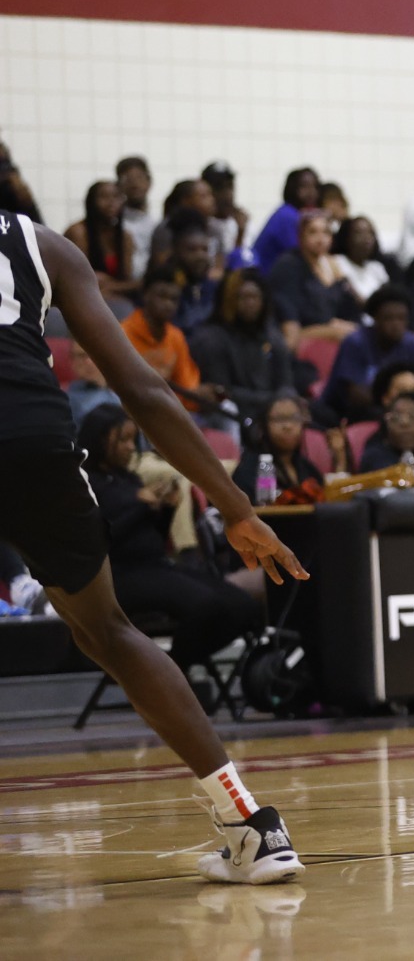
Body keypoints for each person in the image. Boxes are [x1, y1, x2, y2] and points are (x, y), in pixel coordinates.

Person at [0, 206, 306, 882]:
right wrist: (235, 508)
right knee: (109, 631)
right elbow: (143, 388)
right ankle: (251, 826)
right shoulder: (44, 246)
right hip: (36, 443)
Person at [82, 404, 265, 685]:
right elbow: (101, 540)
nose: (131, 447)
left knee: (244, 607)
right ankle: (170, 679)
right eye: (123, 440)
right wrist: (139, 506)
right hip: (120, 575)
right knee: (207, 606)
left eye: (133, 439)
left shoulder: (128, 478)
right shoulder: (86, 485)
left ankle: (175, 667)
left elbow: (151, 534)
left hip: (157, 567)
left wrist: (164, 509)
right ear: (99, 440)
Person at [190, 269, 297, 429]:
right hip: (235, 416)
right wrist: (272, 400)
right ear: (228, 300)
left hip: (272, 410)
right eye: (242, 297)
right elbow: (222, 392)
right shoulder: (211, 339)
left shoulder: (272, 334)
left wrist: (284, 401)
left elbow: (286, 382)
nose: (250, 303)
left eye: (254, 297)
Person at [317, 286, 414, 424]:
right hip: (343, 410)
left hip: (393, 408)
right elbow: (355, 396)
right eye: (389, 318)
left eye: (401, 318)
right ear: (375, 319)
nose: (396, 324)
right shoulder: (355, 342)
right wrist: (394, 406)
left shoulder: (412, 344)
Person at [123, 270, 219, 415]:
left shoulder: (176, 336)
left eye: (174, 299)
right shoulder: (123, 333)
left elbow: (187, 386)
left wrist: (200, 395)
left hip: (171, 410)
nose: (168, 304)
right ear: (145, 295)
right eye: (162, 296)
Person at [267, 211, 359, 350]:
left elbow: (351, 305)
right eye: (313, 232)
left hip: (328, 330)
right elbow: (290, 318)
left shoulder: (331, 264)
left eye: (326, 232)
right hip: (297, 333)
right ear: (301, 236)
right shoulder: (288, 265)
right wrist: (330, 325)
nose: (320, 238)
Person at [230, 395, 326, 506]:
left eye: (294, 418)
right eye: (279, 419)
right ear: (263, 426)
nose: (288, 426)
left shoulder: (308, 468)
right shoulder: (252, 469)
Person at [65, 180, 138, 301]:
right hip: (79, 297)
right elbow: (77, 277)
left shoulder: (125, 237)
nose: (111, 202)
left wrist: (113, 286)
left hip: (114, 297)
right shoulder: (78, 232)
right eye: (104, 197)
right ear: (91, 202)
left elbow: (128, 281)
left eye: (116, 197)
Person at [357, 391, 414, 479]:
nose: (404, 423)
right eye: (396, 417)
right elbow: (413, 491)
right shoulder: (375, 455)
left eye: (413, 416)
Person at [156, 207, 221, 330]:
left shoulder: (212, 287)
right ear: (175, 251)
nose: (200, 256)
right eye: (192, 250)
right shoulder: (163, 288)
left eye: (204, 249)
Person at [251, 167, 320, 271]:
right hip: (264, 277)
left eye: (315, 187)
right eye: (304, 186)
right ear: (292, 188)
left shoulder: (292, 213)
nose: (311, 192)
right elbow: (303, 256)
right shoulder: (288, 216)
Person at [201, 161, 253, 270]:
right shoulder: (202, 225)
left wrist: (241, 230)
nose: (227, 194)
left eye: (230, 186)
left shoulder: (240, 221)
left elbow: (244, 264)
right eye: (219, 188)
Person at [331, 216, 391, 303]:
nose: (366, 238)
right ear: (347, 237)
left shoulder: (377, 268)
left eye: (370, 233)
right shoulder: (337, 262)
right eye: (359, 233)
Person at [117, 155, 157, 272]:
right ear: (119, 185)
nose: (134, 184)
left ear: (149, 182)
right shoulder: (113, 224)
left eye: (139, 178)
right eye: (128, 179)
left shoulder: (155, 224)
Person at [64, 342, 120, 425]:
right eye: (81, 356)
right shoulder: (68, 401)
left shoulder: (125, 390)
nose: (89, 362)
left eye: (94, 355)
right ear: (72, 361)